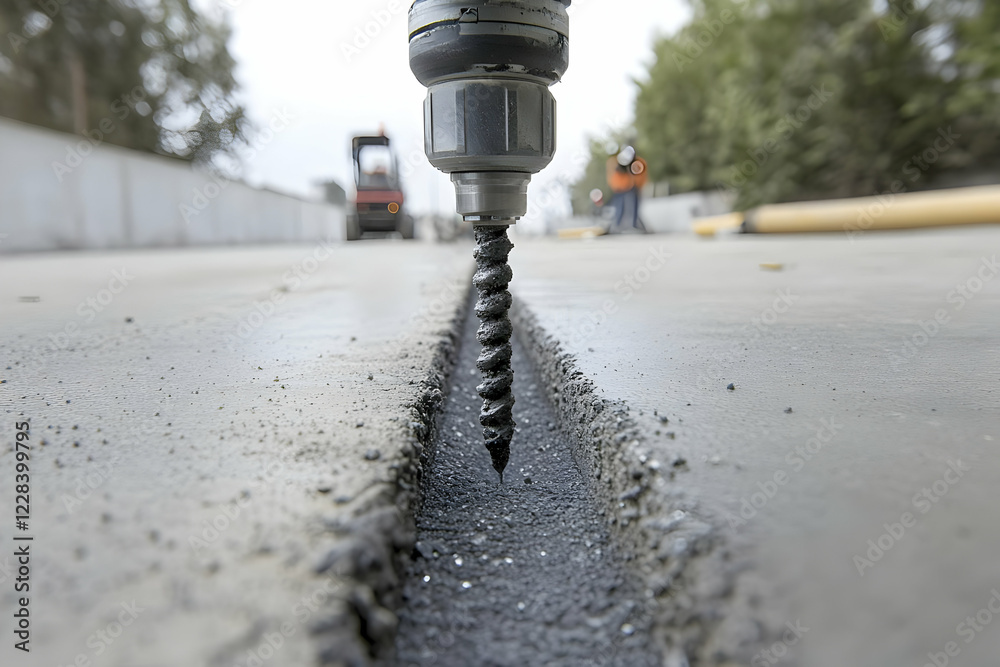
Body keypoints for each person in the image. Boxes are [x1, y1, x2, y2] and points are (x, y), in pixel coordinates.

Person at [605, 146, 648, 233]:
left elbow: (640, 175)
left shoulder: (639, 163)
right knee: (619, 207)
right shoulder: (615, 163)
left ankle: (635, 225)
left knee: (634, 207)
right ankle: (617, 226)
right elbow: (613, 177)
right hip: (619, 189)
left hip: (633, 187)